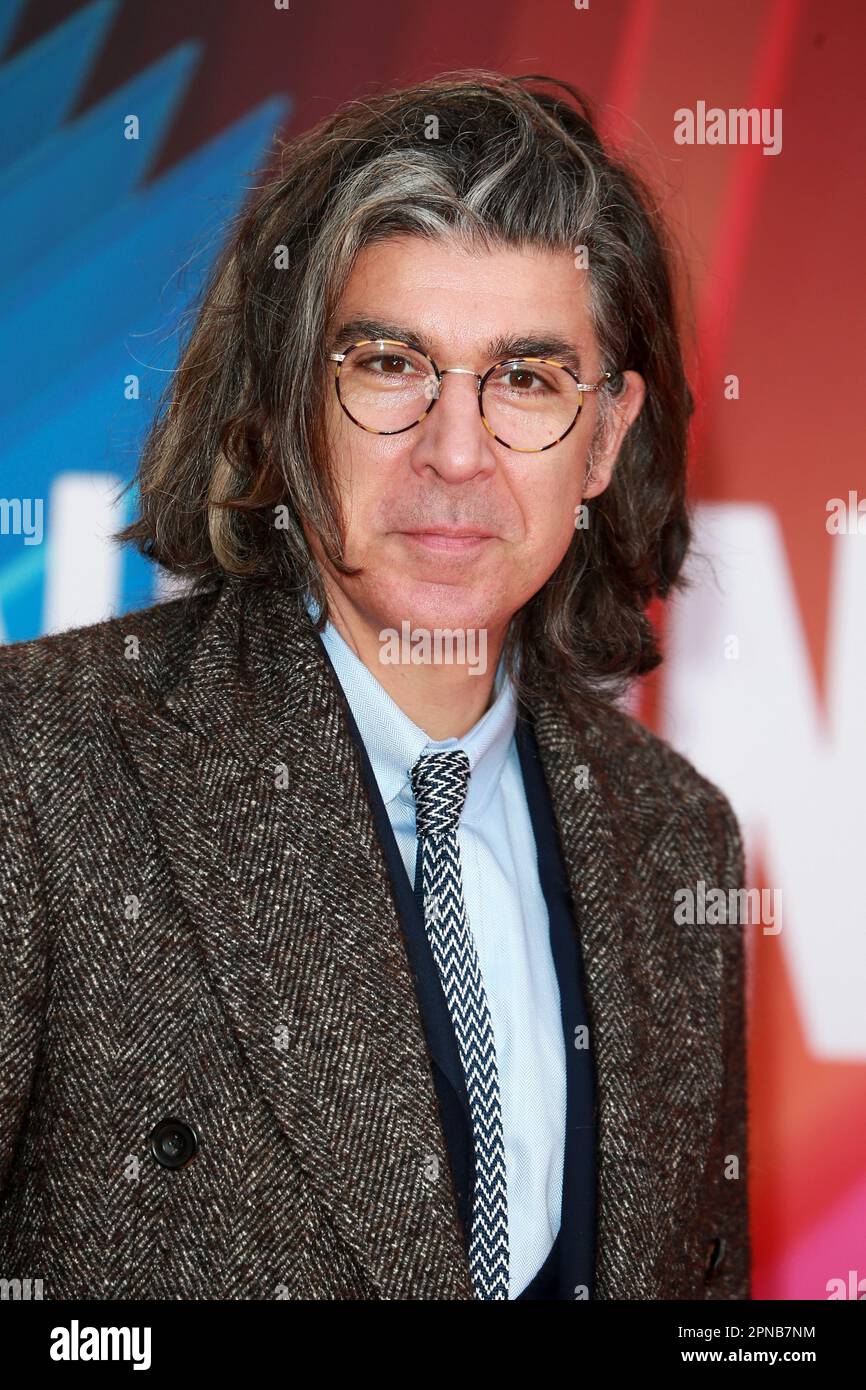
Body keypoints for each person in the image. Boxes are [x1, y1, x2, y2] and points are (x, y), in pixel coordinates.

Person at [0, 70, 749, 1300]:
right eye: (390, 363)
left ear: (605, 438)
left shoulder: (678, 841)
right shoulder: (38, 764)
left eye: (524, 380)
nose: (454, 455)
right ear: (287, 400)